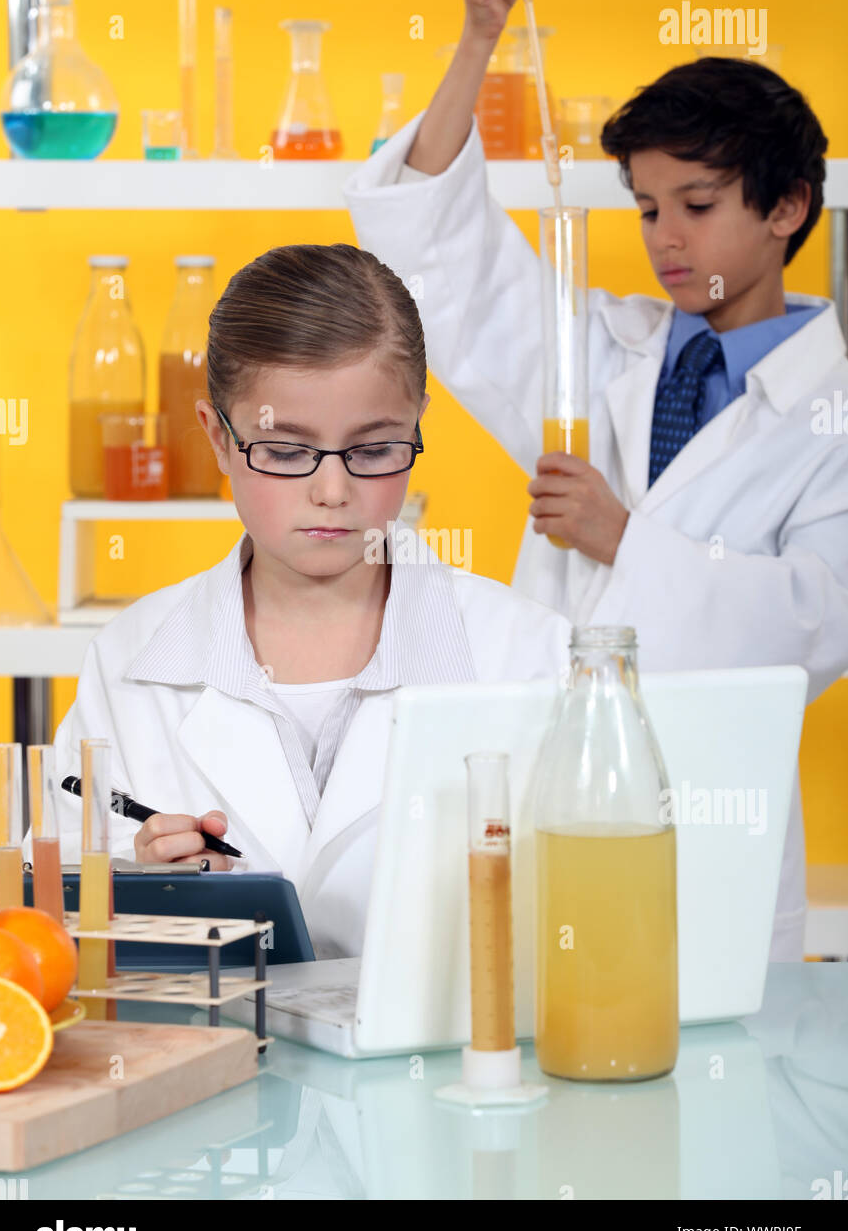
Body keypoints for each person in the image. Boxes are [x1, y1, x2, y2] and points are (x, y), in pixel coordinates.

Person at [342, 0, 848, 962]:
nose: (665, 238)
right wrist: (478, 36)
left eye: (696, 205)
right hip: (539, 794)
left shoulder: (831, 406)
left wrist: (625, 539)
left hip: (709, 820)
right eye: (644, 206)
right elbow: (438, 250)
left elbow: (818, 621)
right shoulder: (596, 356)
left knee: (700, 1093)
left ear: (788, 206)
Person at [49, 243, 570, 959]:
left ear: (418, 420)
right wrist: (139, 890)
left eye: (375, 447)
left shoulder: (529, 654)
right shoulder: (129, 667)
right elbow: (44, 933)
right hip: (216, 1063)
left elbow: (587, 920)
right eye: (287, 452)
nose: (332, 491)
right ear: (218, 438)